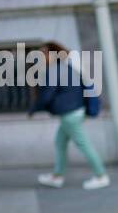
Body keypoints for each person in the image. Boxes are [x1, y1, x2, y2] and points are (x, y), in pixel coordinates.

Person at [30, 42, 109, 190]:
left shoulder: (54, 71)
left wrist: (33, 109)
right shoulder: (68, 68)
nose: (40, 58)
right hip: (76, 112)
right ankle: (57, 177)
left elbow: (46, 96)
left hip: (69, 115)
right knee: (60, 143)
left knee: (84, 145)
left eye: (43, 54)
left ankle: (101, 176)